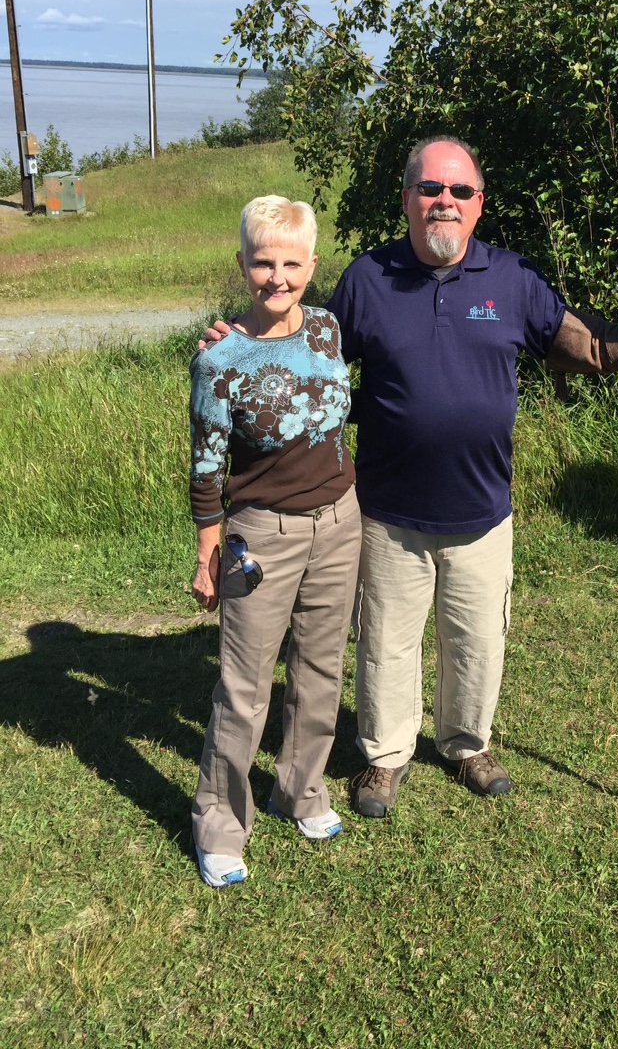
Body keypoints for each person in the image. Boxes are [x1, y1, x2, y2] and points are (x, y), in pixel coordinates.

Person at [204, 138, 618, 820]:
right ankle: (384, 758)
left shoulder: (512, 278)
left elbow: (584, 345)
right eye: (431, 189)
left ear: (479, 205)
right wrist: (239, 346)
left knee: (477, 641)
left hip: (482, 509)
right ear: (408, 199)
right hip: (385, 512)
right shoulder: (367, 279)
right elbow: (305, 351)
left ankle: (466, 744)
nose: (445, 201)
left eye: (460, 191)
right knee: (385, 644)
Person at [189, 195, 360, 886]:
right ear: (242, 264)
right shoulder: (219, 358)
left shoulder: (326, 330)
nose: (277, 277)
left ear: (312, 265)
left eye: (291, 262)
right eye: (263, 262)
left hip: (341, 522)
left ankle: (302, 789)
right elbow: (206, 469)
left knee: (320, 671)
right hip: (261, 534)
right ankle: (221, 825)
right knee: (244, 685)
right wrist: (206, 556)